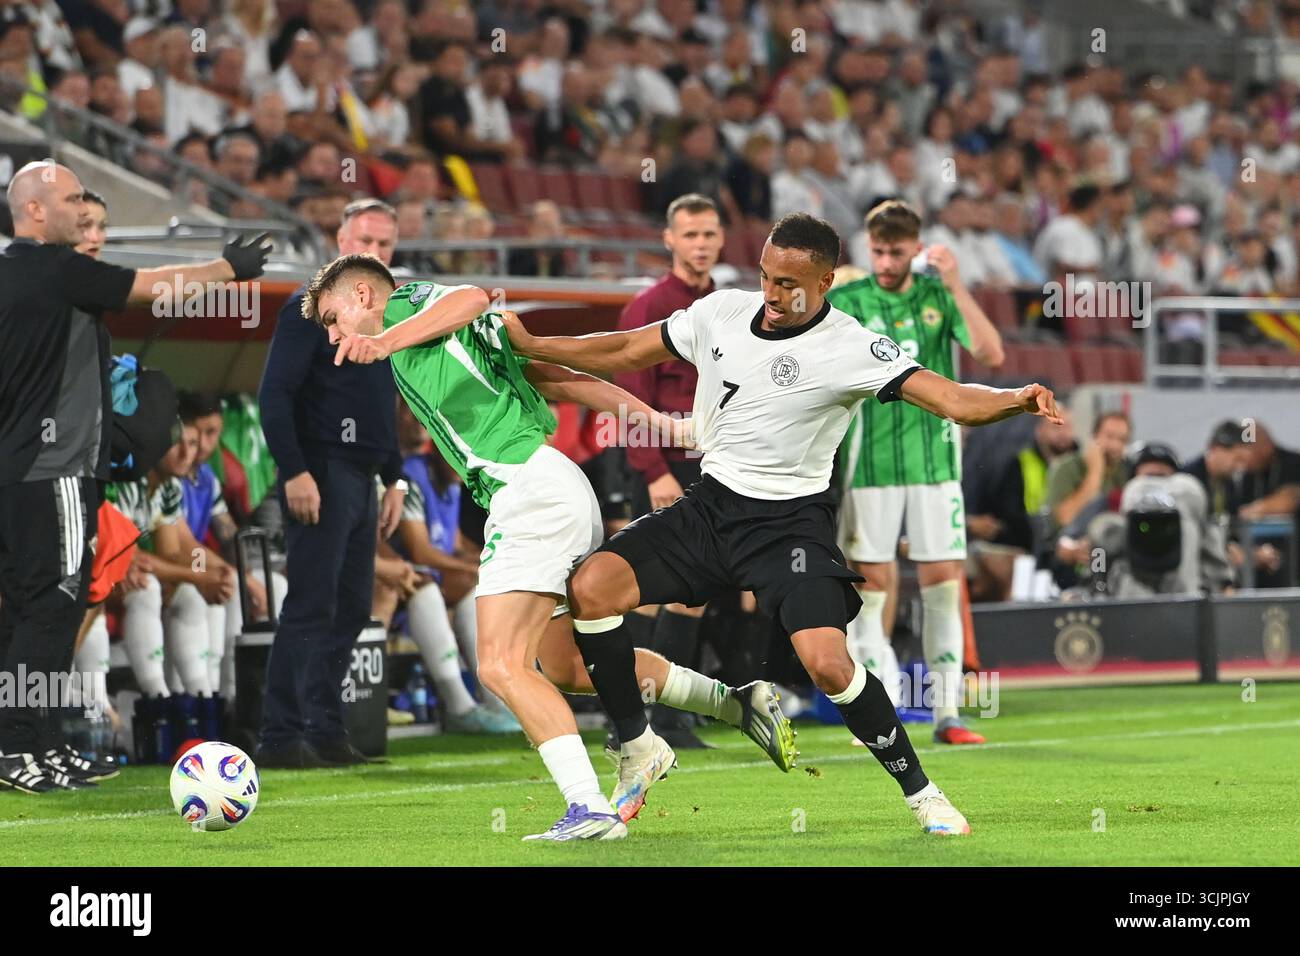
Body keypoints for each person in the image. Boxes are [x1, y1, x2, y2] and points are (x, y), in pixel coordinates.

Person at [503, 213, 1062, 837]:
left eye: (789, 284)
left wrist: (1014, 399)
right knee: (591, 588)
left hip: (790, 528)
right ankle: (638, 746)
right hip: (711, 507)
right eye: (766, 276)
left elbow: (952, 398)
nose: (771, 293)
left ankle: (924, 794)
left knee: (828, 664)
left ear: (825, 282)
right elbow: (625, 349)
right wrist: (535, 345)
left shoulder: (852, 346)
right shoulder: (721, 311)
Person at [313, 256, 797, 841]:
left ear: (363, 294)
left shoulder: (409, 309)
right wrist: (662, 426)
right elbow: (558, 376)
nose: (333, 336)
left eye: (332, 319)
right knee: (565, 666)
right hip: (555, 487)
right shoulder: (443, 345)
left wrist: (385, 339)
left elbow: (470, 296)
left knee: (500, 663)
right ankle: (734, 704)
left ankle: (588, 806)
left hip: (530, 492)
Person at [0, 160, 268, 794]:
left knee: (35, 611)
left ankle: (40, 742)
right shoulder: (56, 268)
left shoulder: (15, 273)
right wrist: (227, 269)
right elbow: (154, 288)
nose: (79, 212)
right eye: (71, 200)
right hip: (54, 471)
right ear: (34, 210)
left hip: (24, 473)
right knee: (53, 607)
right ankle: (19, 746)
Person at [830, 200, 1004, 743]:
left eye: (896, 252)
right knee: (872, 585)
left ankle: (947, 714)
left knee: (943, 582)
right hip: (869, 465)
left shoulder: (937, 296)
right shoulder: (849, 300)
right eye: (878, 251)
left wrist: (956, 285)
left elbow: (991, 354)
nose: (885, 262)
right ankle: (878, 716)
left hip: (935, 462)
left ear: (917, 248)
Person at [256, 198, 407, 769]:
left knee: (350, 608)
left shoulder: (384, 316)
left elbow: (383, 402)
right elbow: (274, 394)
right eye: (365, 240)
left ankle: (324, 729)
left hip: (363, 475)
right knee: (311, 603)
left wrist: (395, 478)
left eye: (385, 243)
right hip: (321, 468)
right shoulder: (309, 309)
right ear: (341, 242)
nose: (375, 251)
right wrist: (295, 470)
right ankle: (279, 735)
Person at [612, 193, 729, 749]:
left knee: (690, 590)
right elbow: (628, 400)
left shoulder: (727, 306)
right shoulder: (648, 308)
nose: (700, 244)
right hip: (666, 466)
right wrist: (654, 472)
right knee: (660, 591)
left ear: (721, 239)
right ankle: (647, 716)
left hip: (713, 464)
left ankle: (653, 716)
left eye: (708, 234)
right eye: (690, 235)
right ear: (669, 240)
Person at [390, 399, 519, 733]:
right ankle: (459, 705)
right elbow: (420, 551)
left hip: (433, 577)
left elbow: (456, 543)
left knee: (479, 588)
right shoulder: (411, 476)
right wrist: (470, 568)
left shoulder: (452, 483)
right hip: (398, 578)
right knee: (435, 589)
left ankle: (497, 700)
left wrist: (490, 558)